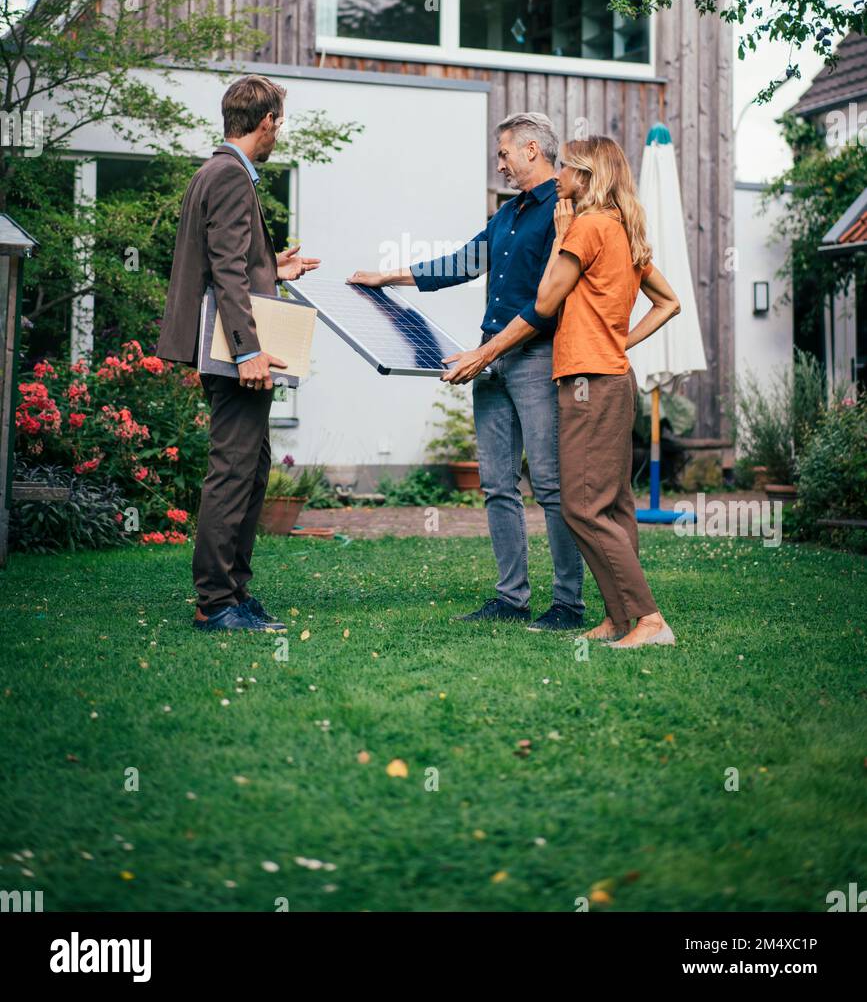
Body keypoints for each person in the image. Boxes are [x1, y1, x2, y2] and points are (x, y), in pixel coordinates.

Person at [349, 112, 585, 631]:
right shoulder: (507, 215)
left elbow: (549, 305)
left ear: (531, 150)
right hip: (490, 359)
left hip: (535, 357)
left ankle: (569, 604)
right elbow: (463, 262)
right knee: (497, 484)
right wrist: (387, 277)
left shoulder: (564, 214)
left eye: (503, 153)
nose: (498, 163)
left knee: (549, 484)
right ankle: (511, 597)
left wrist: (487, 354)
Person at [157, 76, 320, 633]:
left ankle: (235, 593)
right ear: (268, 121)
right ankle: (216, 602)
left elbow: (230, 262)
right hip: (235, 352)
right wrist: (249, 351)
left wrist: (276, 269)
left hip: (232, 349)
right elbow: (225, 270)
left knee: (251, 468)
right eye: (280, 122)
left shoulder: (218, 171)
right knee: (233, 470)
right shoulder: (229, 175)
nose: (279, 132)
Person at [535, 135, 681, 649]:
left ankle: (648, 619)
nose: (557, 177)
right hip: (613, 377)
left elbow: (547, 300)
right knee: (613, 505)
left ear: (587, 177)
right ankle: (621, 617)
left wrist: (560, 236)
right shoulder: (622, 228)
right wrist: (623, 338)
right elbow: (668, 302)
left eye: (566, 169)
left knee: (581, 505)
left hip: (588, 381)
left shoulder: (589, 226)